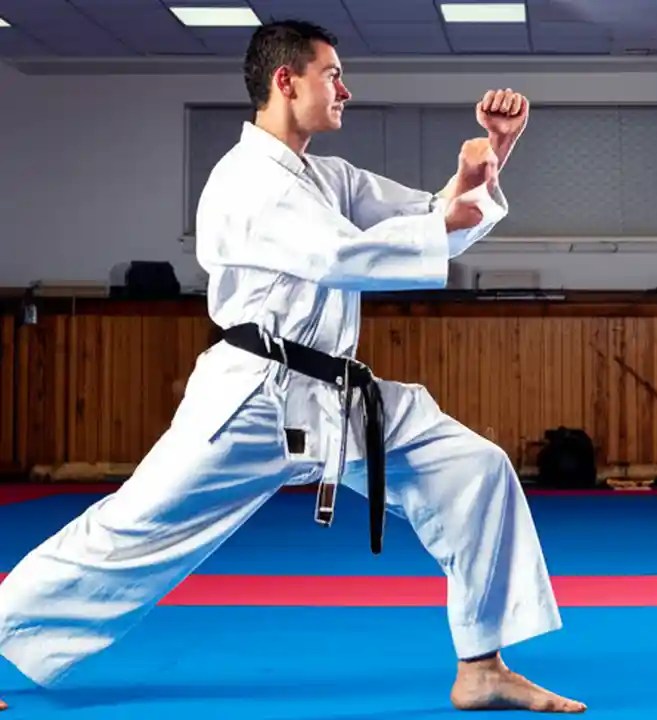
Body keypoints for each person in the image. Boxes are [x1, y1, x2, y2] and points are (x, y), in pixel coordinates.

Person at [0, 20, 585, 714]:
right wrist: (443, 221)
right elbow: (342, 256)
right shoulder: (245, 180)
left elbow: (433, 217)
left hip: (336, 394)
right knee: (133, 529)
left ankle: (482, 665)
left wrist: (492, 157)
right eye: (332, 75)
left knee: (474, 469)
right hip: (254, 396)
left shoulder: (329, 177)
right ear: (286, 80)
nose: (345, 90)